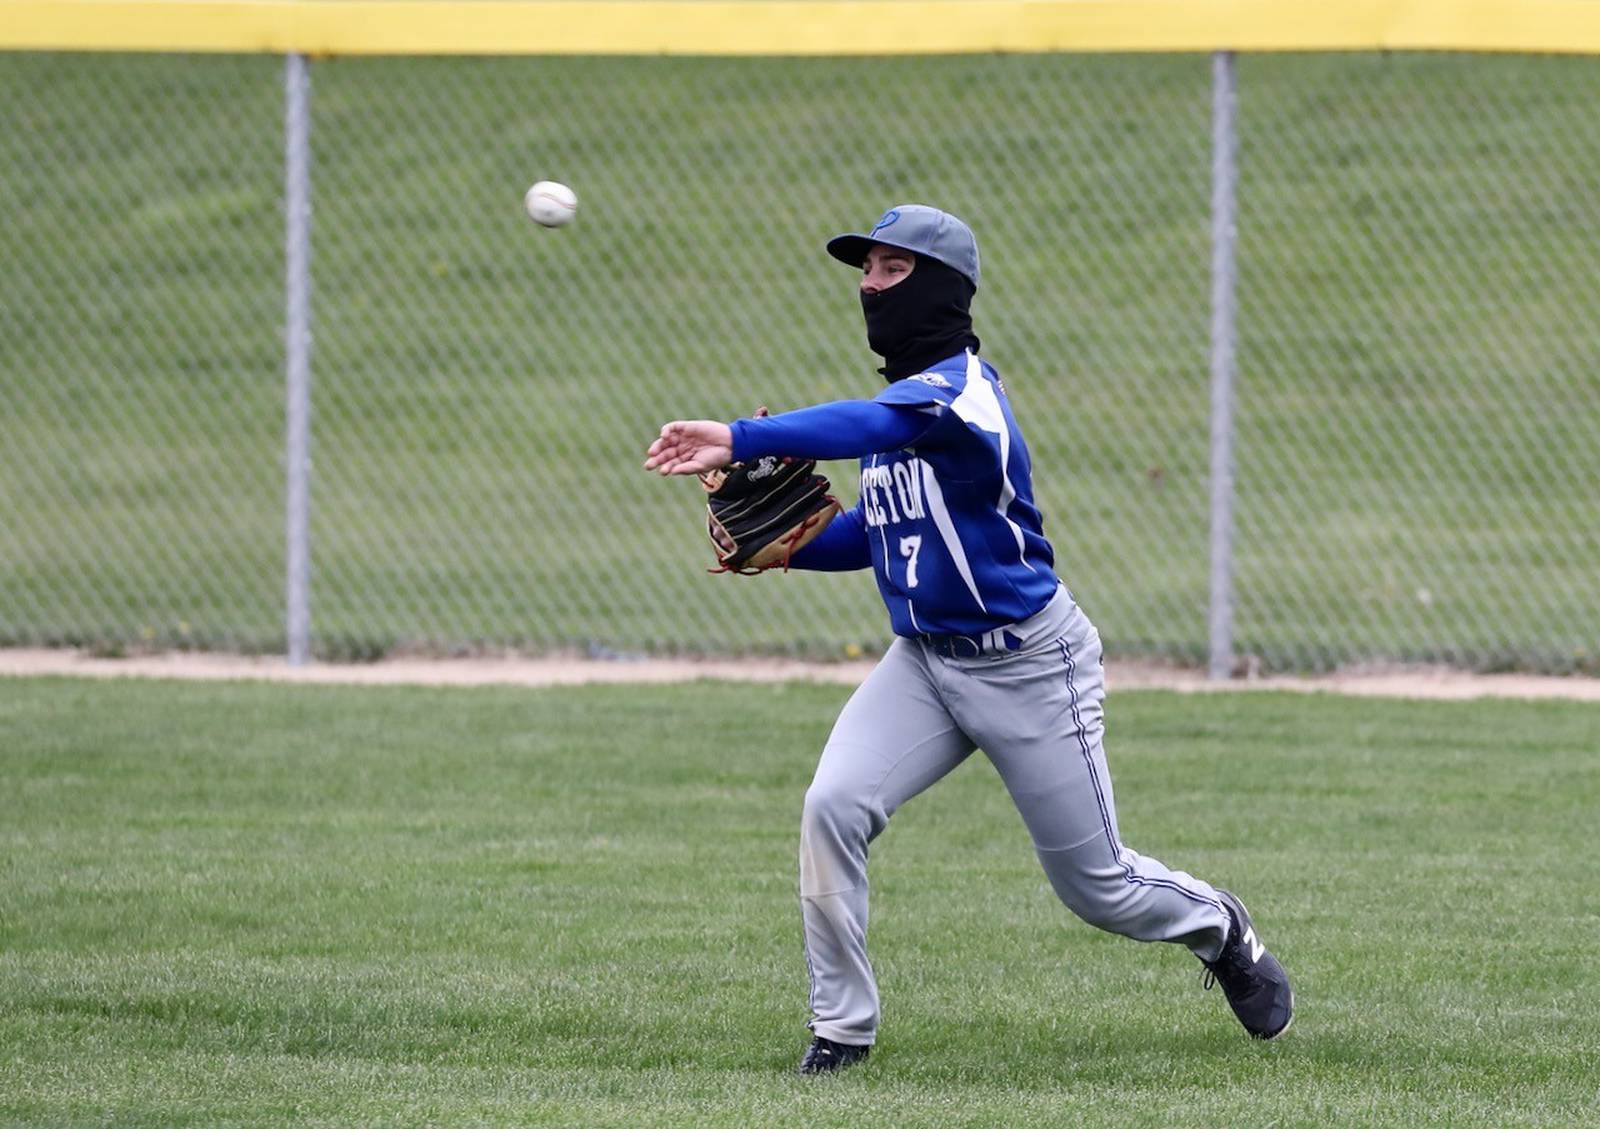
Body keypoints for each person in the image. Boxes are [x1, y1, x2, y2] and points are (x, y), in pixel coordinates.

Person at [644, 205, 1292, 1074]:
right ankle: (842, 1028)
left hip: (1032, 663)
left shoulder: (959, 395)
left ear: (942, 286)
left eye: (890, 269)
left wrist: (745, 435)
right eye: (865, 271)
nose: (870, 286)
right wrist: (787, 546)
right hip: (924, 665)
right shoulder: (898, 412)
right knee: (832, 807)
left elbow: (882, 426)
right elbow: (877, 534)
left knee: (1097, 888)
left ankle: (1221, 926)